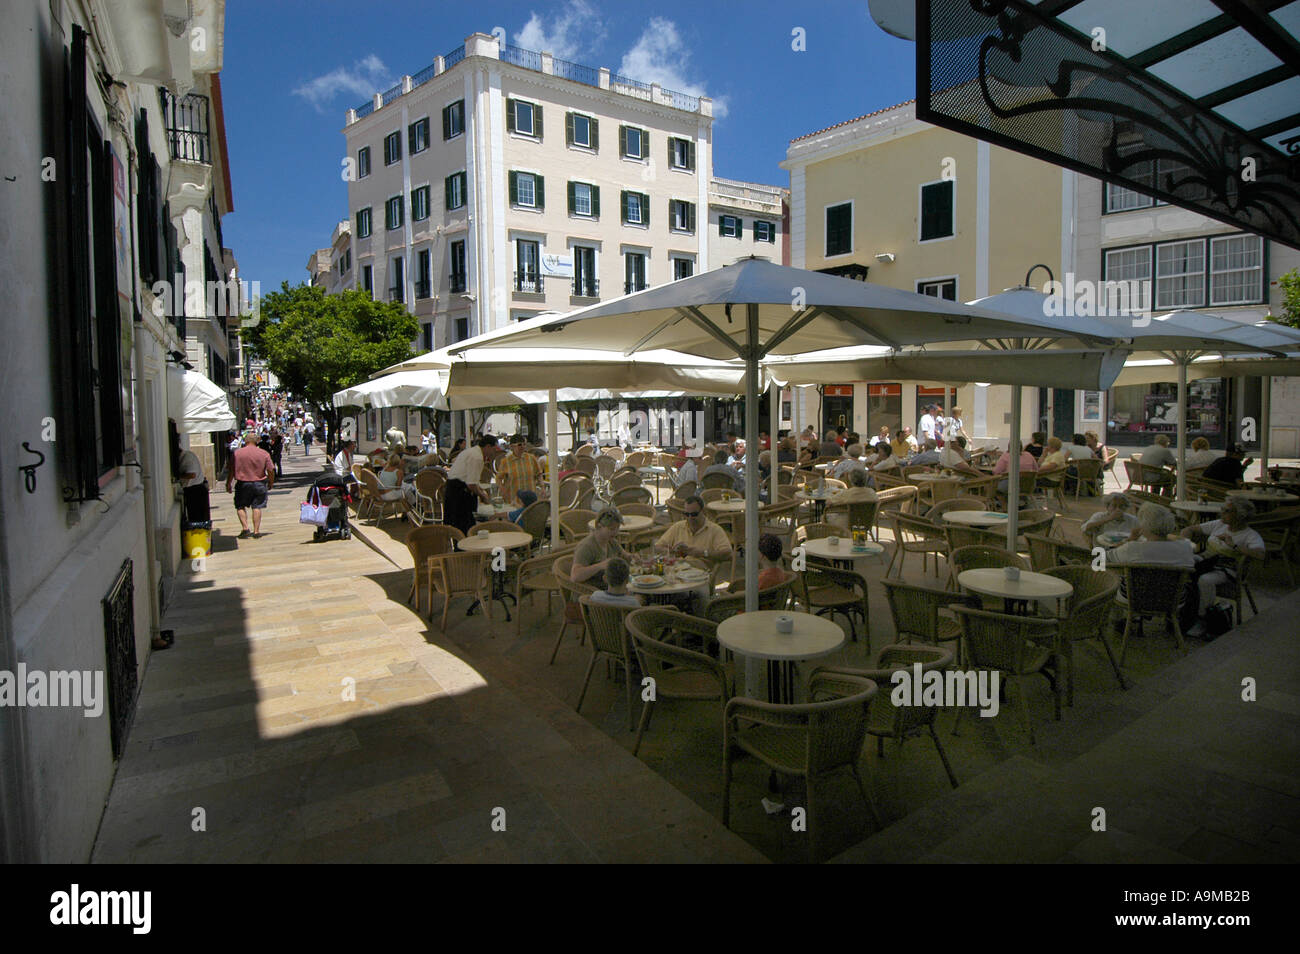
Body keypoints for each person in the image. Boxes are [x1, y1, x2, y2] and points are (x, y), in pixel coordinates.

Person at [1182, 497, 1264, 635]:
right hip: (1206, 562)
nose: (1222, 513)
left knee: (1205, 580)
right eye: (1222, 509)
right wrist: (1185, 542)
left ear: (1240, 515)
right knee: (1181, 565)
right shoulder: (1219, 524)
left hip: (1227, 569)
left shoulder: (1250, 535)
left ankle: (1203, 619)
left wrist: (1234, 545)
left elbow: (1260, 554)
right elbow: (1189, 529)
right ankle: (1180, 612)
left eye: (1226, 511)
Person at [1106, 502, 1196, 570]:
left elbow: (1104, 558)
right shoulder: (1185, 547)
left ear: (1144, 526)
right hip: (1176, 594)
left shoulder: (1132, 548)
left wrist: (1129, 540)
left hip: (1133, 593)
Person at [225, 429, 275, 539]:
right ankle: (256, 531)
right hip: (259, 483)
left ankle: (245, 528)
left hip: (243, 484)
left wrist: (228, 484)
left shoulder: (237, 453)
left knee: (240, 506)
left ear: (245, 441)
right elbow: (271, 470)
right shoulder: (264, 453)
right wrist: (271, 482)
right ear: (256, 441)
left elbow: (231, 470)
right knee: (257, 506)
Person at [655, 495, 732, 563]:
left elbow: (728, 554)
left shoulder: (714, 530)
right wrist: (673, 551)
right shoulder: (678, 526)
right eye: (687, 514)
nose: (690, 518)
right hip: (678, 569)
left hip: (700, 572)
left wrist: (702, 553)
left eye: (694, 514)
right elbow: (657, 547)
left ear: (703, 512)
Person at [445, 435, 492, 535]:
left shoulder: (470, 451)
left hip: (454, 488)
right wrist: (483, 495)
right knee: (463, 526)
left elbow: (472, 480)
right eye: (493, 449)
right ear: (488, 446)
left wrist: (480, 491)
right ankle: (464, 549)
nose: (494, 452)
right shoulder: (477, 457)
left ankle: (460, 547)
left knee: (457, 527)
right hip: (459, 493)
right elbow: (471, 484)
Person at [571, 508, 627, 588]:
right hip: (591, 593)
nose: (615, 532)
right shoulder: (586, 547)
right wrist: (600, 566)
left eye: (617, 528)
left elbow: (625, 556)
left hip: (610, 589)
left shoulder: (611, 541)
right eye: (611, 529)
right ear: (598, 526)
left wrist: (634, 558)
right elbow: (575, 576)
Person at [498, 434, 543, 504]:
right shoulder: (505, 461)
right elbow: (498, 478)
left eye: (524, 444)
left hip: (530, 499)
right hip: (514, 499)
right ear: (512, 447)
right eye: (519, 445)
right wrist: (502, 490)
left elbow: (539, 473)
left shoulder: (531, 458)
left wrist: (542, 487)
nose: (522, 447)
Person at [175, 441, 210, 525]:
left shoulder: (187, 457)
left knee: (198, 519)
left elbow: (191, 474)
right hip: (193, 490)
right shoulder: (185, 456)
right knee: (195, 518)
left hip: (196, 490)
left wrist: (177, 476)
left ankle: (200, 536)